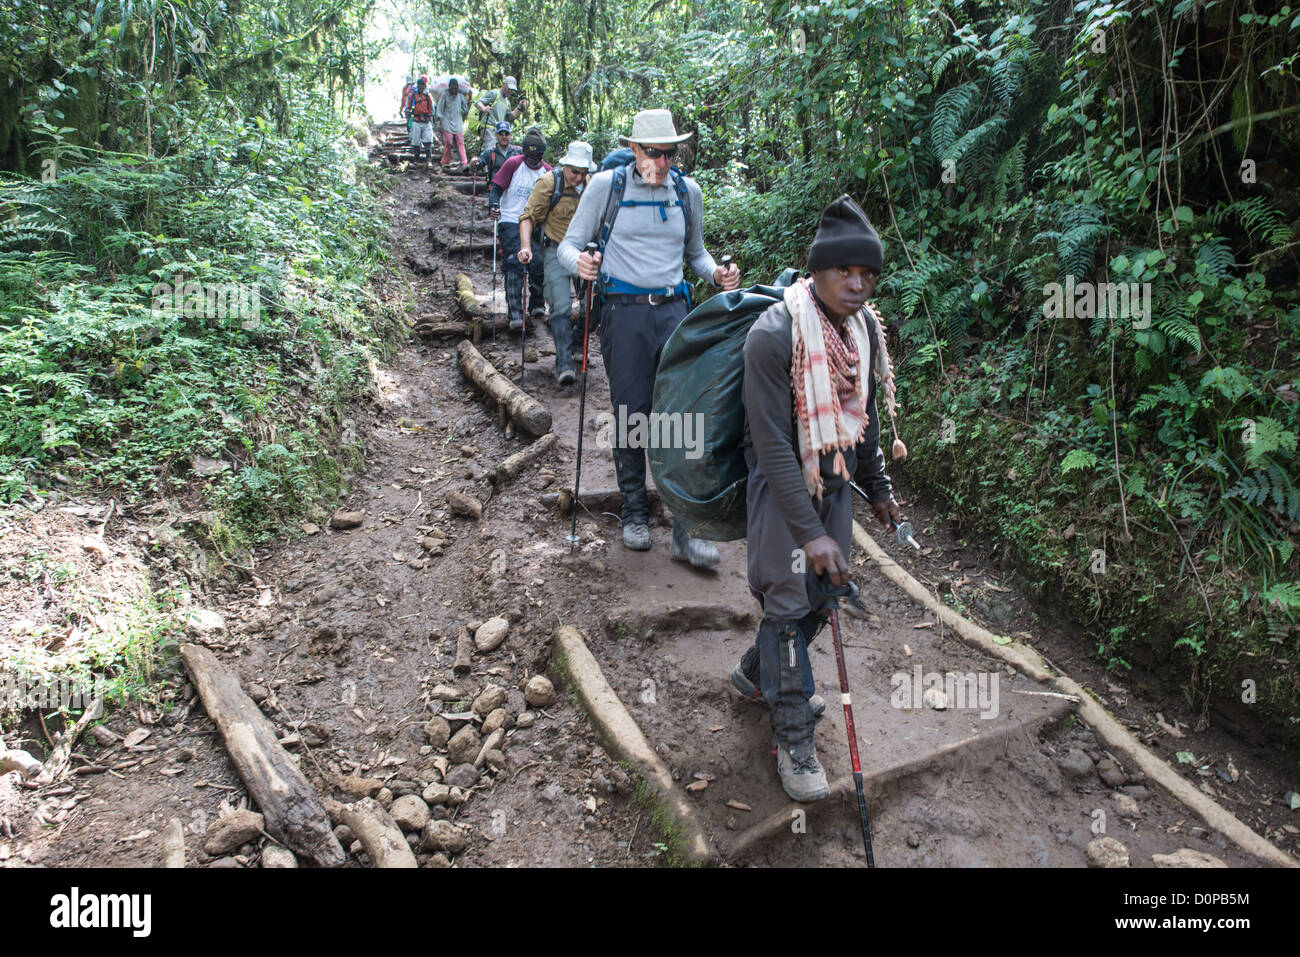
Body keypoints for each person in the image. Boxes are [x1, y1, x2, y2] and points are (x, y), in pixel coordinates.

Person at [732, 194, 901, 802]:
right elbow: (775, 447)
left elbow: (868, 419)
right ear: (818, 270)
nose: (858, 285)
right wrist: (812, 533)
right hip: (782, 493)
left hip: (835, 486)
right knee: (785, 604)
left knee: (822, 598)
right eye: (845, 272)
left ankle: (757, 677)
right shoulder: (774, 336)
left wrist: (878, 488)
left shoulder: (864, 332)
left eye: (868, 274)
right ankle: (793, 737)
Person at [558, 109, 739, 564]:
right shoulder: (607, 186)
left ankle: (685, 528)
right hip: (624, 314)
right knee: (631, 413)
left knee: (685, 417)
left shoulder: (686, 191)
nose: (660, 163)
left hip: (676, 313)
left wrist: (716, 273)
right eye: (651, 153)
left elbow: (695, 253)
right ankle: (635, 511)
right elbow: (569, 244)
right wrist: (579, 264)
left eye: (668, 154)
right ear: (634, 149)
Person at [517, 141, 597, 385]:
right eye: (575, 171)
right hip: (555, 250)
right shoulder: (549, 183)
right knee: (561, 307)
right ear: (566, 166)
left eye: (583, 173)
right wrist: (525, 247)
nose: (579, 177)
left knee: (592, 306)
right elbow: (527, 217)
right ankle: (564, 363)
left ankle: (575, 344)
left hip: (585, 253)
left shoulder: (593, 186)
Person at [490, 128, 551, 332]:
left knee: (539, 264)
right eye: (530, 154)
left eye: (537, 155)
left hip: (536, 224)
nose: (533, 159)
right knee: (515, 263)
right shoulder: (513, 164)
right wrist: (493, 205)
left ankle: (537, 304)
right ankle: (516, 314)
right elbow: (497, 188)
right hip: (510, 220)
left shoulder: (548, 172)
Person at [475, 76, 527, 151]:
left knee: (500, 152)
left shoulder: (507, 102)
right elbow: (478, 103)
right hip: (488, 127)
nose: (510, 91)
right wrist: (484, 108)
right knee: (490, 150)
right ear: (503, 84)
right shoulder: (494, 94)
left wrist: (519, 107)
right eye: (508, 88)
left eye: (512, 89)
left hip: (499, 131)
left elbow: (511, 117)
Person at [436, 77, 470, 169]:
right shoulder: (444, 95)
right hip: (446, 121)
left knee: (460, 142)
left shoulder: (460, 96)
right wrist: (441, 121)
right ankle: (445, 161)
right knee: (449, 142)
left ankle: (464, 162)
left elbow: (465, 109)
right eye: (452, 87)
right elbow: (440, 109)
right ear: (449, 87)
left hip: (458, 121)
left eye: (456, 88)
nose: (454, 89)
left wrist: (468, 101)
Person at [407, 75, 436, 164]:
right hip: (415, 120)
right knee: (415, 141)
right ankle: (416, 159)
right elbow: (408, 109)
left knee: (428, 140)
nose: (420, 87)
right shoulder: (412, 96)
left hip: (426, 121)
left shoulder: (428, 96)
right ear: (417, 86)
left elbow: (431, 110)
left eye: (422, 85)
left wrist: (430, 118)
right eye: (419, 85)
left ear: (424, 86)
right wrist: (409, 122)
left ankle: (428, 159)